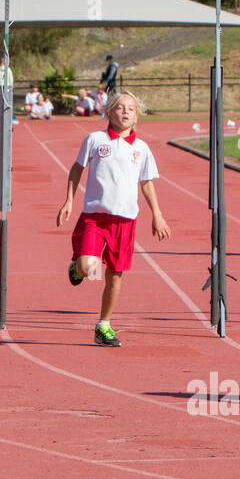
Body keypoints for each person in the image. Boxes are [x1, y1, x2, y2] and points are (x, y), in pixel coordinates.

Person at [57, 91, 170, 346]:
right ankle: (75, 268)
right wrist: (69, 200)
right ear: (109, 112)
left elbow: (147, 183)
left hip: (126, 221)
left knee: (115, 274)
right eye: (120, 108)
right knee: (87, 267)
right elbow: (77, 168)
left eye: (131, 109)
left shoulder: (141, 149)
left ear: (137, 116)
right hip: (95, 218)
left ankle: (103, 325)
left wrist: (158, 215)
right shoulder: (95, 140)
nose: (126, 112)